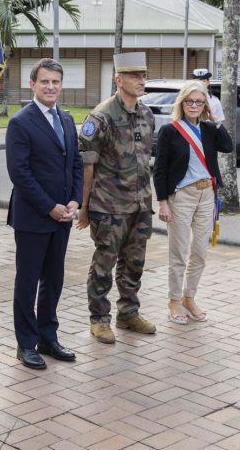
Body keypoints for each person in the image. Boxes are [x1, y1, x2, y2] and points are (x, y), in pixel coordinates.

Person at [6, 58, 83, 369]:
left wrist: (75, 200)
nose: (50, 87)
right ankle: (26, 343)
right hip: (34, 217)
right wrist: (50, 207)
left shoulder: (66, 119)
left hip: (63, 217)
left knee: (54, 279)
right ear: (32, 84)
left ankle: (47, 338)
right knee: (27, 282)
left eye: (55, 82)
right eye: (45, 81)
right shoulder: (21, 122)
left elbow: (75, 162)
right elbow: (20, 173)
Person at [76, 52, 157, 344]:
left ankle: (128, 312)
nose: (141, 81)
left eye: (143, 75)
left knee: (134, 262)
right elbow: (87, 166)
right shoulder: (101, 117)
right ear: (118, 80)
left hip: (140, 203)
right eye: (135, 76)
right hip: (109, 205)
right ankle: (99, 319)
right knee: (104, 264)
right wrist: (85, 207)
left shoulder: (147, 114)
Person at [153, 81, 233, 325]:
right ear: (182, 103)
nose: (194, 106)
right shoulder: (170, 131)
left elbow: (227, 146)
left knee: (199, 251)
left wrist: (215, 120)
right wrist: (163, 202)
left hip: (206, 195)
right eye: (190, 101)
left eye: (199, 102)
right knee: (178, 253)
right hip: (181, 196)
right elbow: (160, 169)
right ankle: (174, 300)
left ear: (205, 105)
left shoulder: (209, 129)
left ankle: (189, 298)